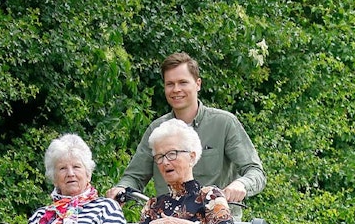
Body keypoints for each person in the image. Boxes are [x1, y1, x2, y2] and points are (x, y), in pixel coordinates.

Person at [106, 52, 265, 205]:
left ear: (198, 84)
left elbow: (255, 172)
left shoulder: (224, 124)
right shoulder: (157, 129)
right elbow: (134, 176)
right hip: (167, 223)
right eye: (170, 84)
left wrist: (241, 185)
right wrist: (121, 189)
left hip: (217, 223)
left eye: (183, 82)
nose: (176, 89)